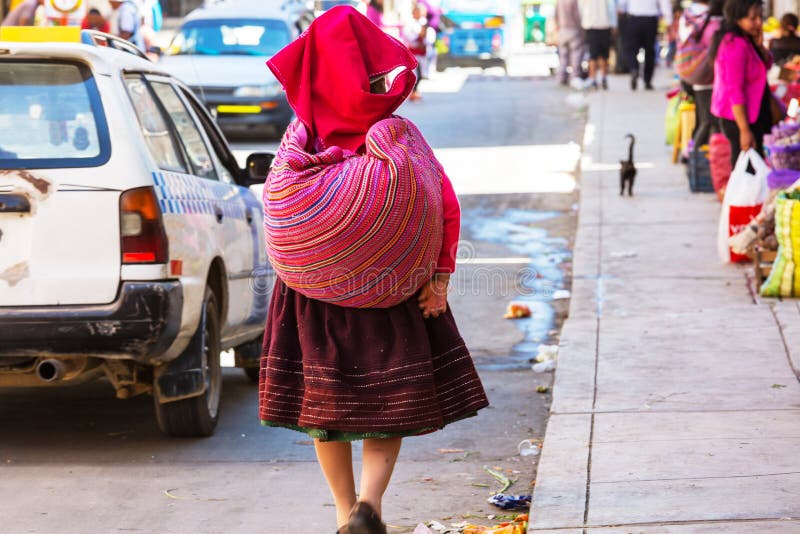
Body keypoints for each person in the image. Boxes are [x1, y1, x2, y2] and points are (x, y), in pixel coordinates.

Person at [260, 7, 489, 534]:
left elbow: (277, 207)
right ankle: (370, 504)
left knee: (328, 412)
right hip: (394, 293)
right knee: (388, 402)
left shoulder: (301, 141)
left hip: (310, 299)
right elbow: (442, 204)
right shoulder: (397, 137)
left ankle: (344, 514)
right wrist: (440, 276)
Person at [711, 0, 772, 166]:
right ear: (737, 18)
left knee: (752, 165)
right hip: (740, 117)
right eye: (753, 18)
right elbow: (734, 90)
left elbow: (764, 67)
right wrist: (744, 130)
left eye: (760, 17)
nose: (758, 22)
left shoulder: (745, 39)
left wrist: (760, 47)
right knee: (746, 168)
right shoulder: (734, 44)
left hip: (750, 114)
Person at [678, 0, 723, 147]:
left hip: (696, 76)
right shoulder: (714, 23)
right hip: (709, 79)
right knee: (709, 122)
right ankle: (694, 158)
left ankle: (694, 156)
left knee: (704, 121)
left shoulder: (690, 16)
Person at [619, 0, 673, 89]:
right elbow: (664, 3)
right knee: (649, 51)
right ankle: (647, 80)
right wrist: (669, 20)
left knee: (631, 49)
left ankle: (634, 68)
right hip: (650, 21)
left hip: (634, 19)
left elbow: (622, 4)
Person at [580, 0, 617, 90]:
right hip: (603, 25)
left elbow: (581, 7)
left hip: (592, 25)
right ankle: (602, 78)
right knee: (603, 54)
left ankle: (594, 79)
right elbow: (611, 8)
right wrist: (613, 24)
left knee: (594, 55)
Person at [403, 2, 436, 101]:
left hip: (423, 53)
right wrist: (419, 37)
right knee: (415, 74)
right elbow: (409, 37)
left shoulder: (424, 23)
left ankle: (415, 92)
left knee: (422, 74)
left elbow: (430, 36)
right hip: (413, 53)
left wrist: (425, 38)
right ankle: (412, 92)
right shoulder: (410, 24)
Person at [554, 0, 585, 87]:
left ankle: (561, 77)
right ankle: (574, 77)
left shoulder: (559, 1)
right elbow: (577, 15)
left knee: (563, 55)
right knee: (576, 55)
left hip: (562, 29)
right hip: (573, 29)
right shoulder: (574, 1)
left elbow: (555, 15)